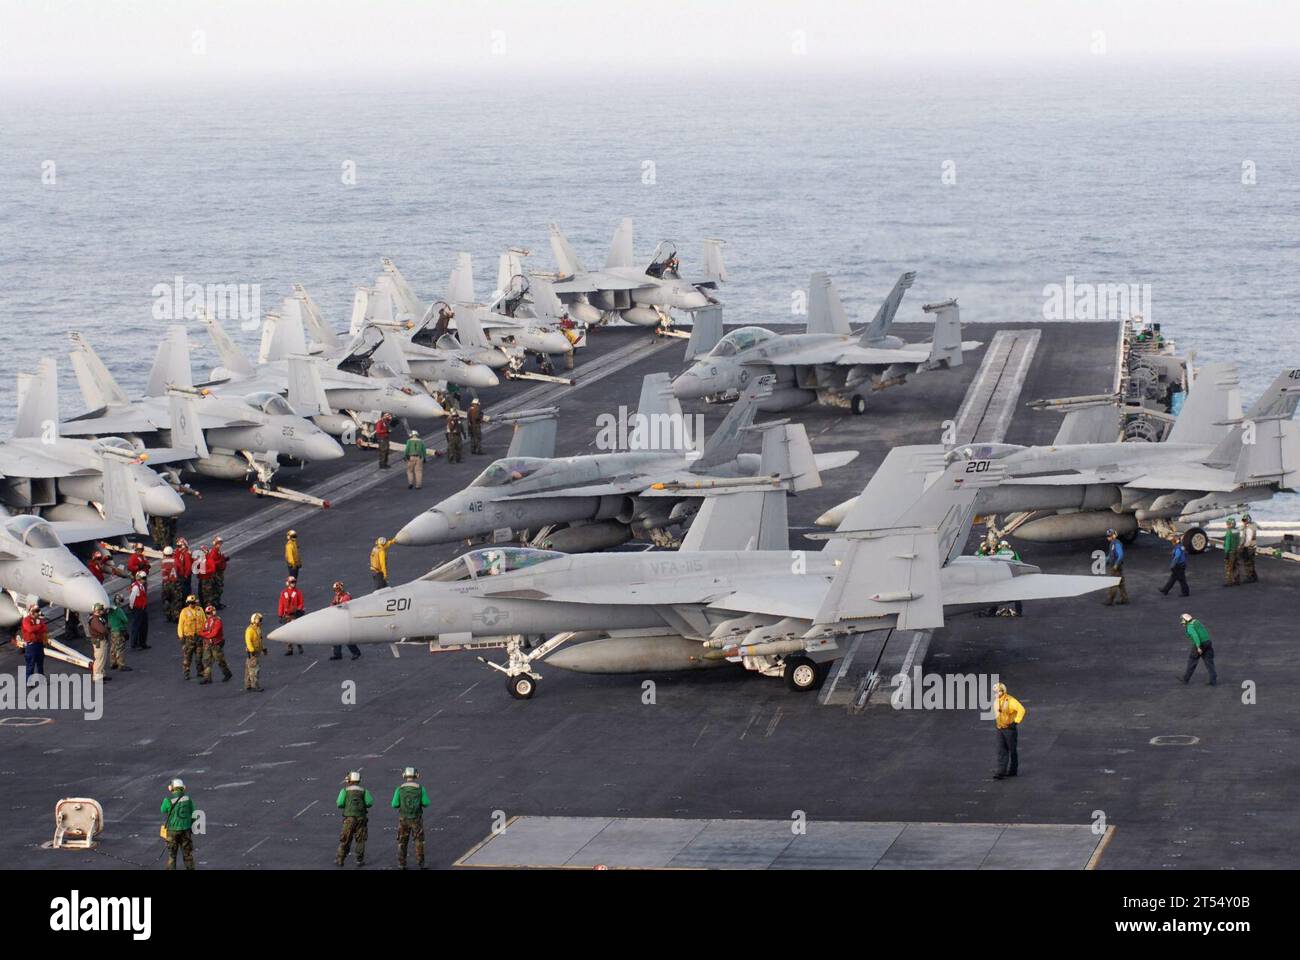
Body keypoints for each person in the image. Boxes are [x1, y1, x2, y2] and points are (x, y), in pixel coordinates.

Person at [392, 767, 429, 869]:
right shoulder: (420, 788)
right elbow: (426, 803)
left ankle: (401, 863)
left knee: (402, 841)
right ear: (416, 775)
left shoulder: (399, 789)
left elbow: (394, 804)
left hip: (403, 819)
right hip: (416, 819)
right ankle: (421, 863)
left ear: (404, 775)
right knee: (418, 841)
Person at [336, 771, 373, 867]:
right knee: (360, 840)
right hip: (361, 819)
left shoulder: (344, 791)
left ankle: (340, 859)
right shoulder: (364, 791)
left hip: (349, 819)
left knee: (345, 839)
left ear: (349, 780)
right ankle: (359, 860)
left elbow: (340, 803)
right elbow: (369, 803)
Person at [992, 682, 1026, 780]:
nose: (995, 693)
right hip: (1000, 728)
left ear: (1002, 691)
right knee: (1001, 749)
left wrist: (1015, 722)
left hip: (1009, 729)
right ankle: (1001, 771)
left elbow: (1021, 709)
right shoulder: (997, 700)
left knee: (1012, 750)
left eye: (997, 691)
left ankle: (1013, 770)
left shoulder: (1010, 701)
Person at [161, 778, 196, 870]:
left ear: (171, 788)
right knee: (187, 855)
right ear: (183, 788)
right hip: (186, 831)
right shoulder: (188, 800)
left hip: (172, 831)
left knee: (172, 856)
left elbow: (163, 810)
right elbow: (194, 814)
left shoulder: (167, 800)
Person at [1179, 613, 1217, 685]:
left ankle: (1185, 679)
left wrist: (1198, 647)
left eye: (1182, 620)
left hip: (1200, 644)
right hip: (1208, 642)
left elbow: (1195, 636)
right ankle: (1213, 680)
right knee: (1209, 662)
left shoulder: (1190, 627)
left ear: (1185, 621)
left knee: (1192, 661)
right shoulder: (1196, 622)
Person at [198, 605, 232, 684]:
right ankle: (207, 677)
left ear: (213, 612)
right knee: (206, 660)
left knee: (220, 660)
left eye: (209, 613)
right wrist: (205, 633)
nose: (208, 614)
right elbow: (203, 630)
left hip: (216, 644)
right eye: (207, 613)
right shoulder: (207, 621)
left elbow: (213, 633)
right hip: (208, 643)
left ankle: (227, 673)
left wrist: (203, 634)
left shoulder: (217, 621)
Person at [328, 582, 362, 661]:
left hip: (347, 619)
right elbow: (331, 605)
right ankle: (337, 654)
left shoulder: (346, 597)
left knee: (347, 638)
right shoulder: (337, 596)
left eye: (337, 589)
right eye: (335, 590)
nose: (336, 591)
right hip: (340, 619)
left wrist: (335, 606)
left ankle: (356, 652)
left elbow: (342, 607)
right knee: (336, 637)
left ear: (341, 589)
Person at [177, 594, 207, 680]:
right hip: (189, 638)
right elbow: (180, 625)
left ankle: (200, 671)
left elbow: (204, 622)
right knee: (187, 657)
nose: (192, 604)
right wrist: (181, 636)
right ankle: (186, 672)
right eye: (190, 603)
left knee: (199, 656)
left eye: (193, 603)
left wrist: (205, 634)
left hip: (199, 637)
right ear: (188, 603)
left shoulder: (200, 610)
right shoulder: (184, 612)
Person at [993, 540, 1023, 617]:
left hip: (1002, 577)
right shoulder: (1013, 552)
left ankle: (992, 611)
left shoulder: (998, 553)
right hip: (1012, 576)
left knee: (995, 595)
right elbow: (1019, 562)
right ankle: (1019, 611)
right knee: (1017, 596)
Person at [278, 576, 306, 655]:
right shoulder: (284, 593)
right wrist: (280, 615)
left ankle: (299, 645)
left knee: (296, 631)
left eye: (294, 582)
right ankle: (289, 649)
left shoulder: (298, 592)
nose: (294, 583)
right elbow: (281, 604)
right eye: (292, 582)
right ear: (288, 583)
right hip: (286, 615)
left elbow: (301, 603)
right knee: (287, 633)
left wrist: (298, 609)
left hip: (295, 615)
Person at [20, 605, 47, 685]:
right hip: (31, 645)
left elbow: (45, 629)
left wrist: (38, 627)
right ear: (31, 612)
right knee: (30, 665)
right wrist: (39, 626)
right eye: (36, 611)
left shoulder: (39, 620)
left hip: (39, 644)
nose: (38, 613)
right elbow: (30, 629)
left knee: (40, 665)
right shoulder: (26, 620)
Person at [86, 602, 112, 683]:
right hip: (99, 641)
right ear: (98, 610)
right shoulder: (96, 620)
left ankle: (101, 674)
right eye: (101, 610)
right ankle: (97, 677)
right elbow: (102, 630)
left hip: (99, 640)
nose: (103, 611)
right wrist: (107, 629)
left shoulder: (95, 618)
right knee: (99, 659)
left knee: (102, 658)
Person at [1103, 529, 1129, 605]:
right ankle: (1124, 599)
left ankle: (1110, 600)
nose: (1108, 537)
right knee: (1121, 583)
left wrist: (1116, 565)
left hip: (1115, 567)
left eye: (1109, 536)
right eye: (1107, 536)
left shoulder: (1117, 543)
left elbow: (1120, 555)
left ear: (1114, 535)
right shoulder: (1112, 543)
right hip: (1115, 566)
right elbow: (1111, 555)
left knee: (1113, 583)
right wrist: (1105, 561)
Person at [127, 570, 150, 650]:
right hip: (138, 609)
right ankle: (134, 644)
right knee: (136, 627)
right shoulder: (136, 587)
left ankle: (142, 643)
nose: (145, 579)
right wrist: (131, 607)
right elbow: (132, 598)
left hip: (142, 608)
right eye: (143, 578)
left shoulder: (141, 586)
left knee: (144, 626)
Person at [107, 594, 131, 672]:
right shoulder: (118, 610)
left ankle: (113, 663)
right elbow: (125, 619)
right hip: (119, 630)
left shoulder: (110, 609)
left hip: (112, 630)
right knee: (120, 648)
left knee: (113, 646)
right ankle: (121, 665)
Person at [244, 612, 266, 692]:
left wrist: (263, 648)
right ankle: (255, 685)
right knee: (254, 669)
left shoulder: (257, 629)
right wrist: (252, 650)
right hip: (253, 652)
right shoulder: (250, 630)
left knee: (248, 668)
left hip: (256, 651)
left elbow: (260, 640)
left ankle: (248, 684)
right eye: (259, 620)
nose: (260, 621)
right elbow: (248, 641)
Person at [160, 546, 182, 623]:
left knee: (166, 600)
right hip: (175, 583)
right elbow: (180, 570)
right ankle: (176, 616)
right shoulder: (175, 561)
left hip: (166, 583)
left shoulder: (163, 562)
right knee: (176, 600)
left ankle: (168, 615)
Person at [207, 537, 228, 609]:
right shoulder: (214, 552)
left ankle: (217, 602)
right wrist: (221, 560)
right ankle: (216, 603)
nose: (220, 545)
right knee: (217, 588)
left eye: (220, 543)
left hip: (219, 572)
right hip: (216, 573)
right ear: (215, 544)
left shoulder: (217, 551)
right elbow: (213, 563)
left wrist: (224, 559)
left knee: (219, 588)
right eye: (218, 543)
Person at [1239, 513, 1259, 583]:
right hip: (1252, 547)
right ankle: (1254, 576)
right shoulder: (1252, 526)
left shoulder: (1249, 529)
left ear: (1248, 520)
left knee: (1248, 562)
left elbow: (1248, 539)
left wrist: (1242, 546)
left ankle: (1250, 577)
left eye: (1245, 520)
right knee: (1251, 562)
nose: (1243, 521)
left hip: (1249, 547)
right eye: (1243, 520)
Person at [1222, 516, 1240, 586]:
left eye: (1228, 523)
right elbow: (1238, 541)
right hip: (1236, 550)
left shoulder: (1229, 532)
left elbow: (1228, 543)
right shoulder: (1237, 531)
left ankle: (1229, 582)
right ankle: (1237, 580)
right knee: (1236, 566)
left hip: (1230, 552)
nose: (1227, 525)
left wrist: (1226, 552)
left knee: (1229, 567)